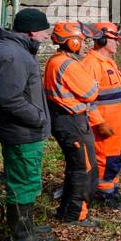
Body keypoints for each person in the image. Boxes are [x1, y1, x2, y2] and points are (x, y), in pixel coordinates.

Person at [0, 7, 54, 241]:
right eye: (44, 31)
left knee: (22, 179)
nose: (46, 35)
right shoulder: (15, 56)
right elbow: (9, 99)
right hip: (23, 131)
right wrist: (38, 117)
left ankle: (26, 228)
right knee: (24, 182)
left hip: (13, 128)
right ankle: (23, 238)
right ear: (31, 32)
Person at [42, 20, 101, 225]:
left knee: (77, 167)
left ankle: (66, 211)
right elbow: (91, 92)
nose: (86, 45)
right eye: (83, 41)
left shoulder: (56, 61)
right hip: (72, 122)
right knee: (83, 169)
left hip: (66, 122)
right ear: (72, 42)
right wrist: (93, 84)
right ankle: (75, 215)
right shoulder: (68, 64)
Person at [86, 21, 121, 209]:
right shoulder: (91, 65)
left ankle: (112, 190)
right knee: (104, 161)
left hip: (117, 127)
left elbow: (116, 97)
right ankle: (103, 196)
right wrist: (100, 123)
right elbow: (87, 101)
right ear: (103, 39)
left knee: (116, 159)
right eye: (115, 39)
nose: (118, 43)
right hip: (105, 128)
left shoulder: (109, 62)